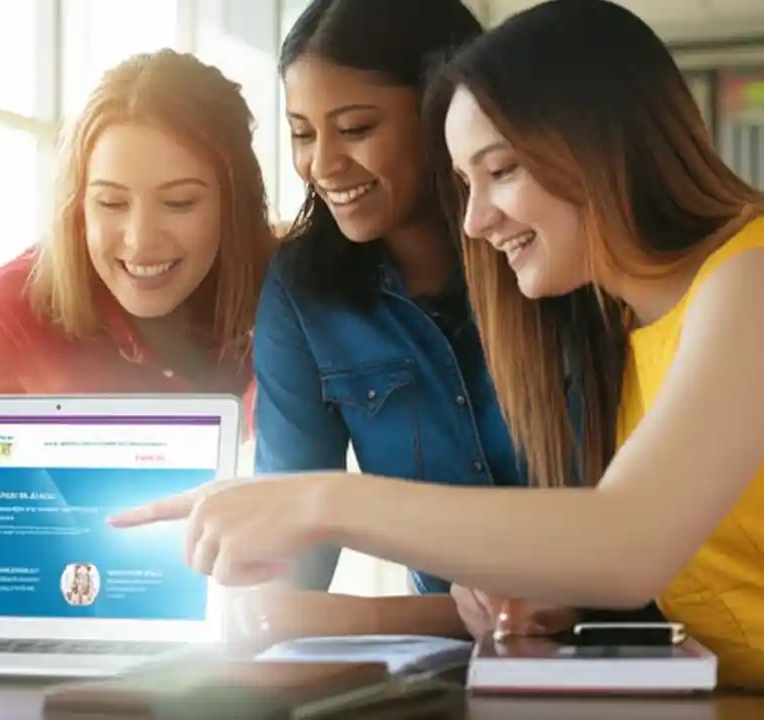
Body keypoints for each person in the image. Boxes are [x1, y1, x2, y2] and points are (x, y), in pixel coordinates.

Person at [111, 0, 764, 688]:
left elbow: (630, 543)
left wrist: (319, 501)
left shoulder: (754, 276)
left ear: (597, 145)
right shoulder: (644, 328)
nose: (478, 220)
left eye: (503, 170)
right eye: (466, 181)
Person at [245, 0, 534, 640]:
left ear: (444, 114)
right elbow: (291, 534)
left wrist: (366, 617)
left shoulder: (546, 255)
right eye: (301, 132)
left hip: (627, 649)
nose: (322, 165)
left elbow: (610, 559)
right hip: (443, 672)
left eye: (353, 128)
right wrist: (260, 605)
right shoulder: (302, 292)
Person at [0, 49, 275, 407]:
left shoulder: (286, 292)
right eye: (111, 203)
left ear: (235, 204)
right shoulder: (0, 318)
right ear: (78, 207)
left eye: (179, 203)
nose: (140, 239)